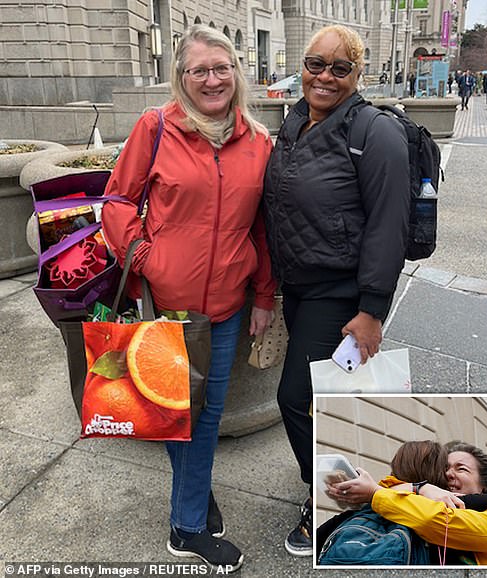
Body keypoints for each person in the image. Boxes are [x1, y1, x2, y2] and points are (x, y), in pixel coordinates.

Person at [101, 25, 275, 573]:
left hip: (225, 308)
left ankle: (191, 495)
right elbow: (117, 201)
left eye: (221, 68)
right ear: (181, 76)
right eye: (199, 70)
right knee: (178, 415)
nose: (212, 79)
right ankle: (188, 526)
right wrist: (148, 259)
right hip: (165, 305)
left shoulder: (258, 141)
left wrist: (265, 294)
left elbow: (263, 228)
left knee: (203, 416)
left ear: (236, 73)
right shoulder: (155, 127)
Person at [261, 24, 410, 557]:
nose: (324, 76)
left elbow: (389, 226)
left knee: (295, 397)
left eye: (340, 67)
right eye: (315, 64)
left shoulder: (376, 132)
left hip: (341, 290)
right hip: (299, 285)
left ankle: (330, 499)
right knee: (324, 397)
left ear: (358, 73)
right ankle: (353, 479)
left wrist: (372, 310)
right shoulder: (296, 121)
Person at [328, 424, 487, 565]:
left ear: (484, 486)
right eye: (445, 469)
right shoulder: (410, 506)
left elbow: (433, 519)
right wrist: (417, 488)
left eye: (461, 469)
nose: (449, 474)